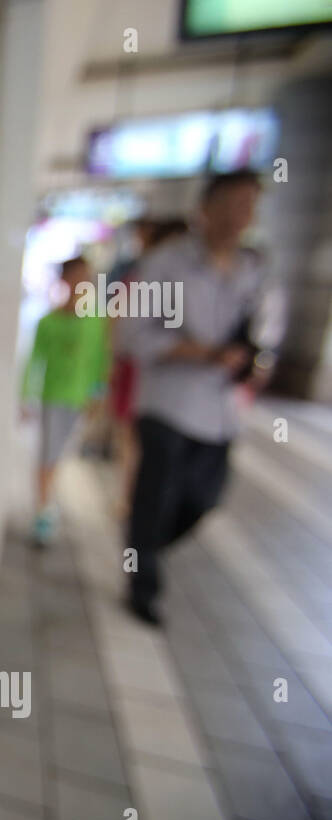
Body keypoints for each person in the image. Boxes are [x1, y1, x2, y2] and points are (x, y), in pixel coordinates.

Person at [122, 170, 283, 626]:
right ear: (206, 207)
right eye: (232, 203)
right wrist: (201, 352)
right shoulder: (168, 265)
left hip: (220, 410)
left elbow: (269, 333)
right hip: (167, 402)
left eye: (248, 205)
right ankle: (142, 582)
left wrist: (254, 361)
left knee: (203, 498)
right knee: (156, 494)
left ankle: (143, 544)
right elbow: (134, 337)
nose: (239, 216)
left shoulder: (255, 272)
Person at [21, 255, 110, 546]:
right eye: (76, 276)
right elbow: (34, 360)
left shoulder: (95, 319)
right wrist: (26, 396)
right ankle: (43, 511)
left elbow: (99, 358)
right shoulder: (49, 321)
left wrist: (98, 392)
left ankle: (47, 503)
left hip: (79, 398)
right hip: (54, 394)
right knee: (48, 453)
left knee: (58, 454)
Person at [108, 217, 189, 517]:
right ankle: (130, 494)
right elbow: (117, 324)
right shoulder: (136, 274)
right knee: (132, 434)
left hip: (174, 377)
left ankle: (143, 496)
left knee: (155, 440)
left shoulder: (189, 281)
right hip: (137, 368)